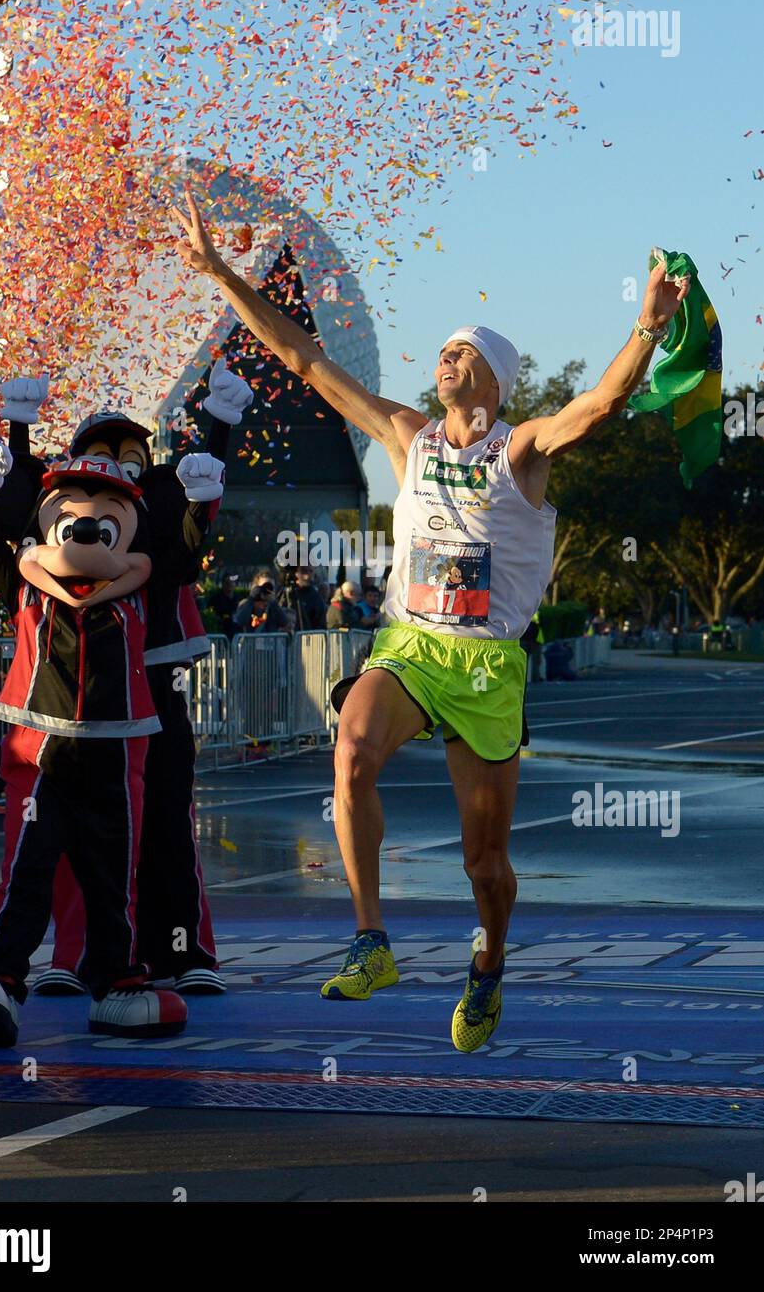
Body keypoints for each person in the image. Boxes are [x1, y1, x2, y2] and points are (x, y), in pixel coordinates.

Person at [172, 189, 690, 1053]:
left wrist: (645, 324)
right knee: (350, 753)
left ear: (490, 376)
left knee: (483, 865)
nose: (443, 360)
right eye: (443, 351)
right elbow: (302, 359)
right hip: (409, 645)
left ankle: (486, 966)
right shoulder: (406, 434)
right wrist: (223, 274)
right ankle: (371, 940)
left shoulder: (519, 449)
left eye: (460, 352)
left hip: (487, 667)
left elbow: (596, 407)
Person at [0, 451, 213, 1045]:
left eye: (105, 528)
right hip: (40, 747)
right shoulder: (26, 587)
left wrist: (201, 502)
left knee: (114, 873)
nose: (85, 541)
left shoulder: (146, 590)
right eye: (68, 526)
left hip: (118, 750)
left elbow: (184, 552)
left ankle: (116, 980)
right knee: (28, 867)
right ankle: (3, 976)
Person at [279, 566, 327, 631]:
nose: (307, 575)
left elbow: (321, 624)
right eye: (304, 571)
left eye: (310, 571)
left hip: (308, 637)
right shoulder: (285, 593)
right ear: (295, 572)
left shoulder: (316, 597)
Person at [209, 573, 239, 638]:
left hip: (236, 633)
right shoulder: (216, 599)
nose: (230, 584)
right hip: (221, 634)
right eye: (227, 582)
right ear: (223, 584)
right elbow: (211, 614)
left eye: (232, 582)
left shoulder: (237, 599)